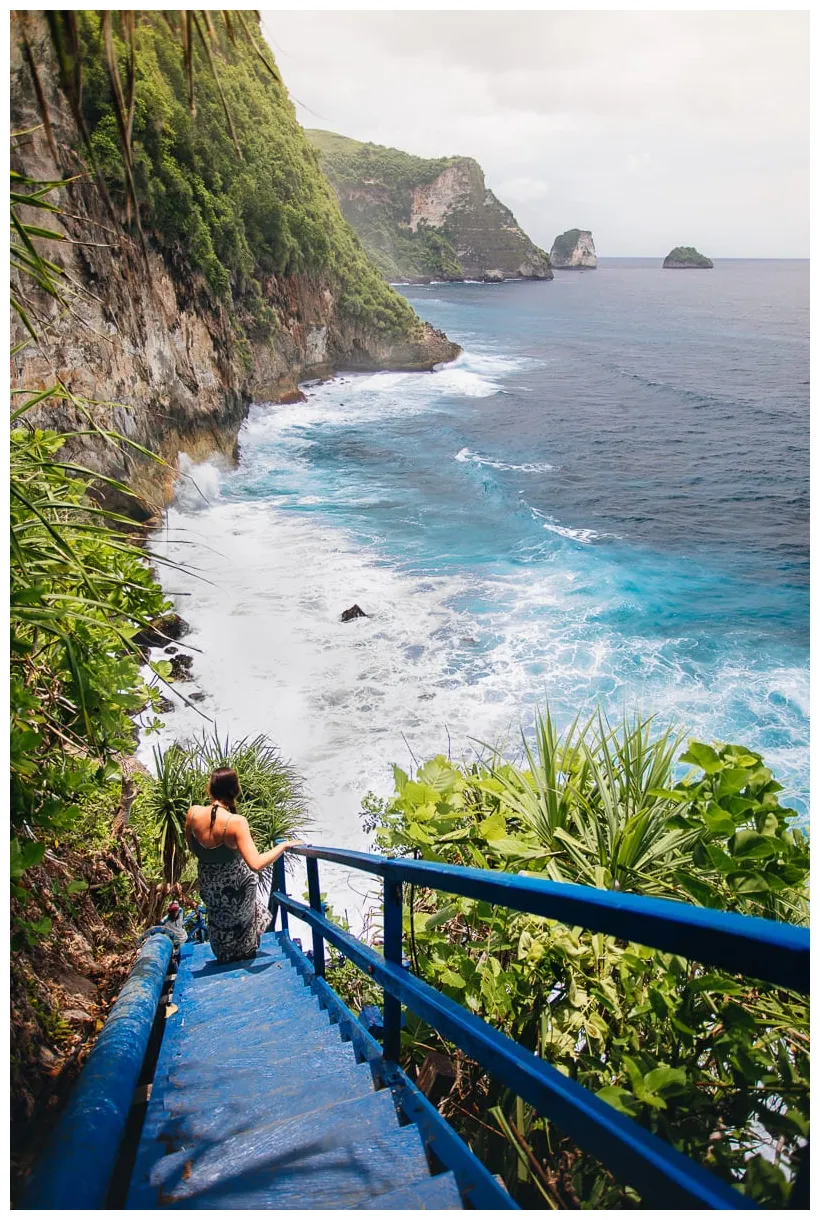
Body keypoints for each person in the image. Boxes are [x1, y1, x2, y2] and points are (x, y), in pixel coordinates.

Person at [185, 767, 302, 964]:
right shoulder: (236, 822)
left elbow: (193, 848)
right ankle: (245, 949)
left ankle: (223, 951)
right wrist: (283, 846)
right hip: (235, 891)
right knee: (251, 911)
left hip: (210, 887)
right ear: (235, 791)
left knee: (218, 917)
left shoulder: (193, 813)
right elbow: (255, 863)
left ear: (209, 789)